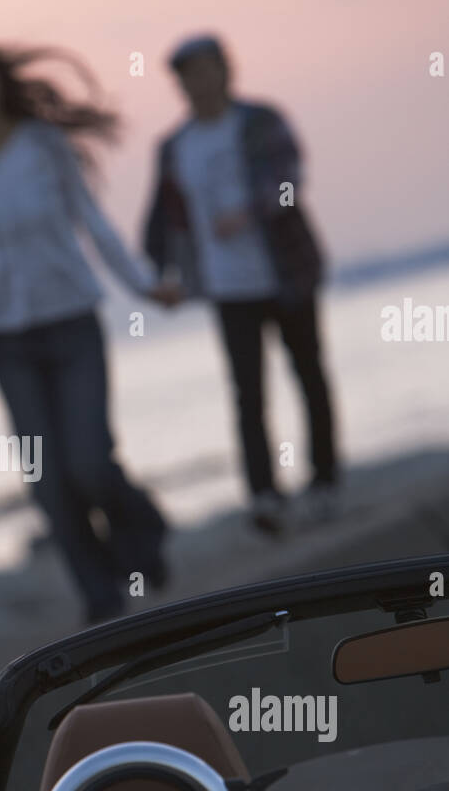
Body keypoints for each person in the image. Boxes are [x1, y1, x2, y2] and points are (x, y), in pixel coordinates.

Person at [0, 36, 169, 625]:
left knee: (90, 464)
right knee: (48, 483)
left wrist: (144, 284)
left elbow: (92, 223)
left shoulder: (44, 146)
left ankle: (142, 528)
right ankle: (101, 594)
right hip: (9, 341)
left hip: (72, 321)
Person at [142, 34, 339, 533]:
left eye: (206, 69)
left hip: (286, 272)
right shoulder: (173, 148)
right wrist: (159, 276)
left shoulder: (260, 121)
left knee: (309, 374)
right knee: (247, 393)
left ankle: (325, 481)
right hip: (227, 288)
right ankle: (264, 496)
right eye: (188, 74)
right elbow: (163, 219)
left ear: (226, 70)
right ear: (179, 84)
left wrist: (249, 212)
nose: (199, 81)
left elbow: (292, 181)